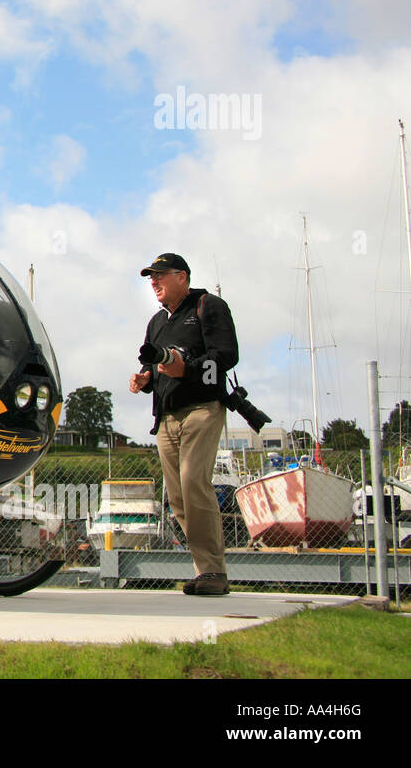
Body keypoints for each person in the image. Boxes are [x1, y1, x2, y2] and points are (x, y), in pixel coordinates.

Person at [129, 253, 238, 596]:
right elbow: (157, 367)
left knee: (194, 484)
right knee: (177, 498)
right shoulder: (156, 323)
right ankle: (205, 569)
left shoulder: (209, 306)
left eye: (160, 275)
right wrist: (145, 380)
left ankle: (212, 572)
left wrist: (186, 369)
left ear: (183, 277)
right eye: (151, 277)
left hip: (202, 409)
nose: (154, 282)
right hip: (166, 418)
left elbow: (227, 356)